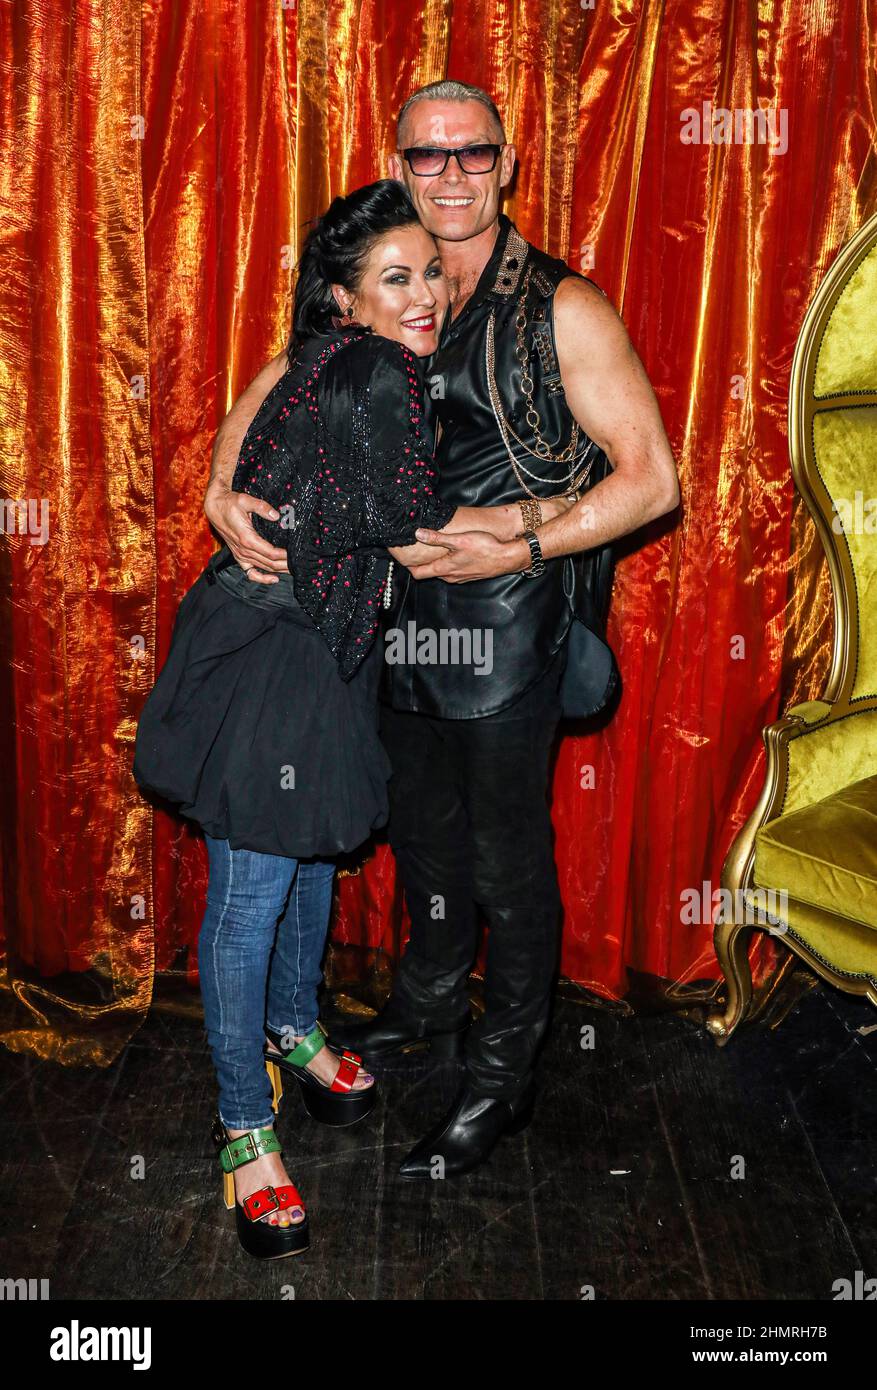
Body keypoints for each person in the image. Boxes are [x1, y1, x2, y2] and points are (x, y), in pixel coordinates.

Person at [204, 83, 680, 1182]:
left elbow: (653, 480)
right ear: (401, 161)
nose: (452, 174)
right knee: (418, 835)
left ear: (508, 163)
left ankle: (504, 1072)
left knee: (506, 860)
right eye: (430, 154)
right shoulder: (393, 277)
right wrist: (221, 482)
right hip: (385, 627)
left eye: (473, 154)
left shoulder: (562, 306)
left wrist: (521, 545)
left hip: (506, 629)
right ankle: (425, 994)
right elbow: (281, 375)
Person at [135, 177, 573, 1256]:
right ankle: (245, 1131)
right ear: (343, 299)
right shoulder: (379, 369)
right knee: (253, 894)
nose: (424, 293)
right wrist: (554, 511)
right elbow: (414, 529)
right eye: (396, 278)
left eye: (429, 272)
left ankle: (292, 1025)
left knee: (318, 858)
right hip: (271, 656)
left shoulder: (346, 356)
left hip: (321, 647)